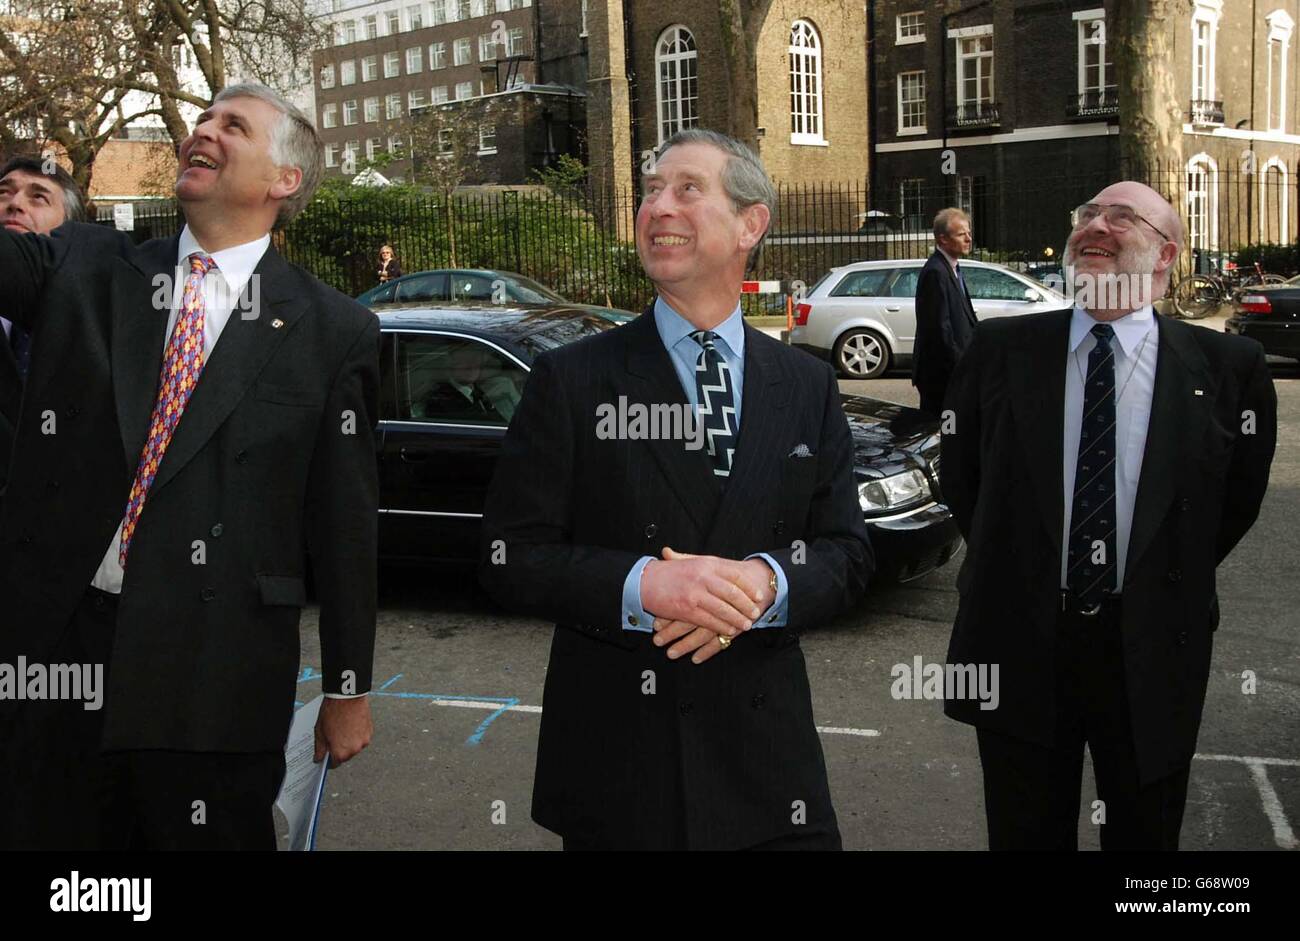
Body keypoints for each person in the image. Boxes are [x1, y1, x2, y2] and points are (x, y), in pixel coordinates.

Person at [0, 83, 380, 850]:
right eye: (203, 119)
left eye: (231, 126)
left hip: (216, 673)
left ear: (285, 181)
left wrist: (347, 686)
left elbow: (343, 524)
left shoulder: (333, 329)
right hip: (63, 656)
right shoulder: (88, 265)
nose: (201, 132)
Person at [479, 128, 873, 850]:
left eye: (687, 188)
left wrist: (765, 582)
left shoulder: (807, 383)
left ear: (751, 223)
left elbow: (847, 554)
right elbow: (510, 555)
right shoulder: (572, 380)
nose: (658, 205)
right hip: (621, 778)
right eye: (651, 189)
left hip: (769, 775)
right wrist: (643, 587)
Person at [940, 181, 1277, 850]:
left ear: (1164, 254)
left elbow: (1235, 498)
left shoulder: (1227, 367)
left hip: (1153, 642)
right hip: (1021, 635)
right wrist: (1028, 564)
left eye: (1121, 216)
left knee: (1145, 836)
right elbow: (964, 477)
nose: (1095, 225)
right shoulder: (1002, 349)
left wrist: (1158, 570)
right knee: (1025, 830)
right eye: (1087, 213)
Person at [0, 156, 87, 476]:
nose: (15, 204)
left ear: (71, 227)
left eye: (38, 196)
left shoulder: (105, 320)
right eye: (4, 193)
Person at [912, 207, 976, 416]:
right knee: (944, 436)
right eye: (961, 234)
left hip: (953, 373)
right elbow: (939, 329)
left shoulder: (953, 267)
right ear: (943, 240)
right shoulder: (935, 272)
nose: (968, 238)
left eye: (968, 232)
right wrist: (962, 366)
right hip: (941, 376)